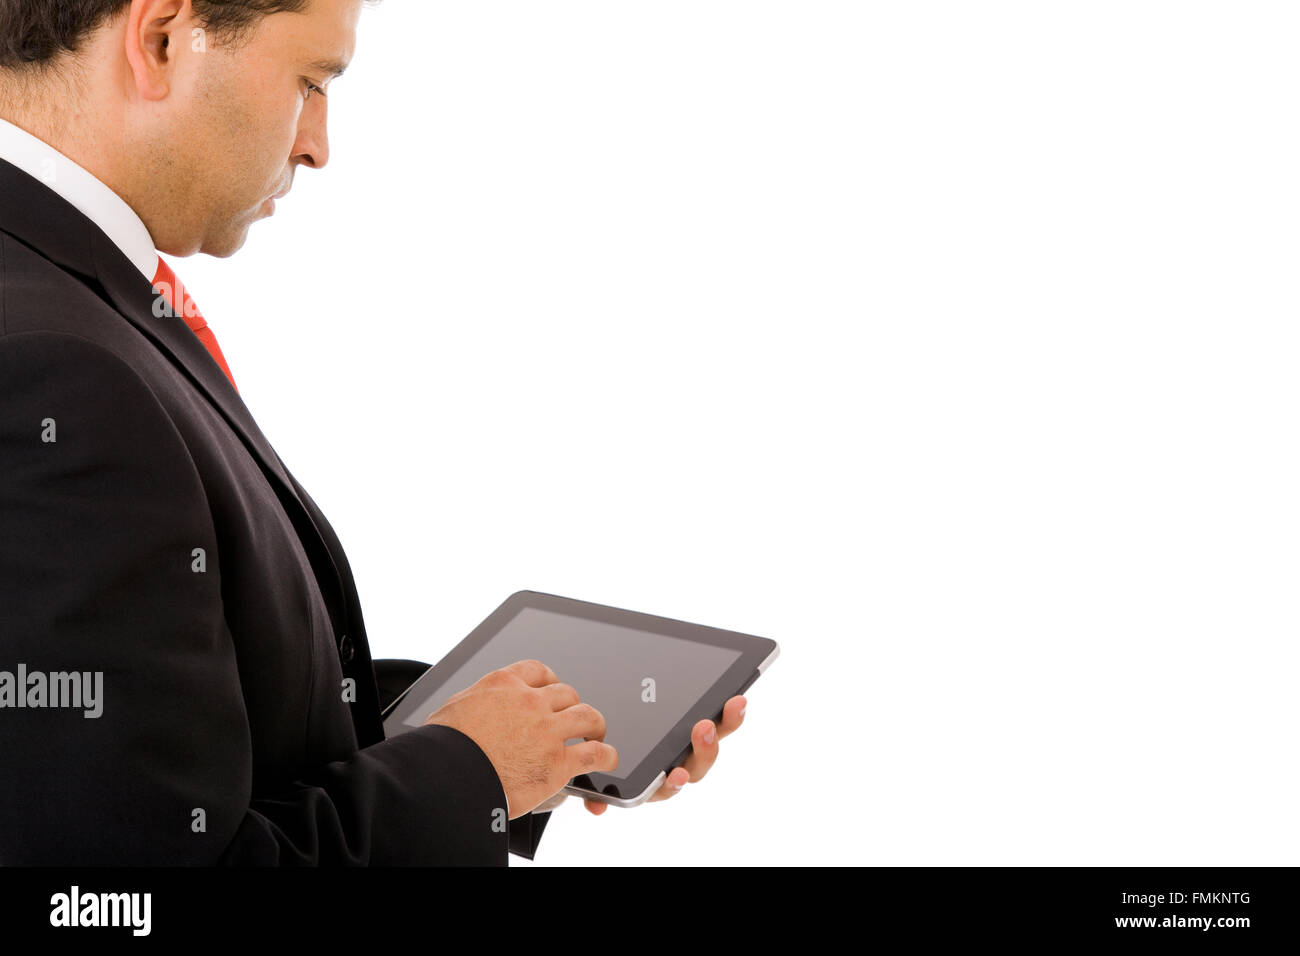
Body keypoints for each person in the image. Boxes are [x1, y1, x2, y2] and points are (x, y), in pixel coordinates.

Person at [0, 0, 747, 865]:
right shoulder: (55, 364)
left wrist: (534, 738)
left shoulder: (67, 292)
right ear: (164, 38)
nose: (318, 144)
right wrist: (475, 771)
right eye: (310, 82)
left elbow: (144, 736)